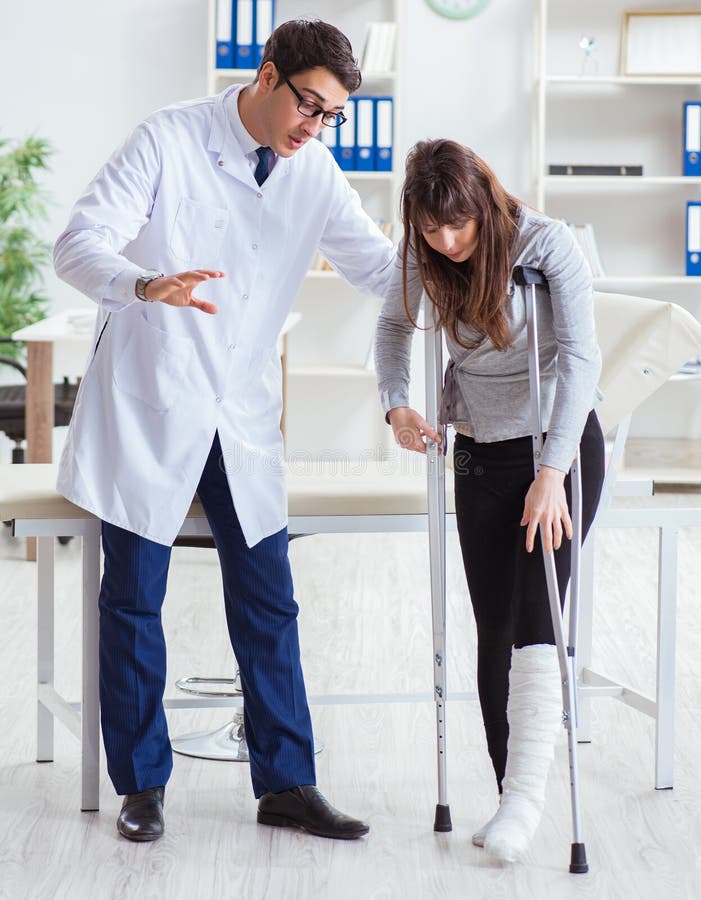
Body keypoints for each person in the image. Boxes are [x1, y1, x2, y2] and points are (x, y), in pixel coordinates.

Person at [53, 19, 398, 843]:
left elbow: (380, 270)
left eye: (332, 117)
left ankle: (286, 782)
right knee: (135, 600)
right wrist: (144, 282)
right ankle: (141, 786)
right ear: (267, 75)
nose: (314, 128)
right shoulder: (168, 139)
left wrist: (484, 251)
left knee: (268, 599)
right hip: (150, 398)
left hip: (237, 412)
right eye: (307, 106)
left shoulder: (313, 170)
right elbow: (77, 244)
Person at [374, 140, 605, 862]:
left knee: (538, 616)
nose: (445, 241)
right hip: (476, 448)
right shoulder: (421, 248)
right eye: (431, 230)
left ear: (484, 204)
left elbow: (579, 357)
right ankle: (510, 790)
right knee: (493, 628)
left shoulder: (546, 242)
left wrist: (551, 471)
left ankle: (526, 803)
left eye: (458, 227)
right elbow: (390, 328)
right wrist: (396, 405)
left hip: (555, 448)